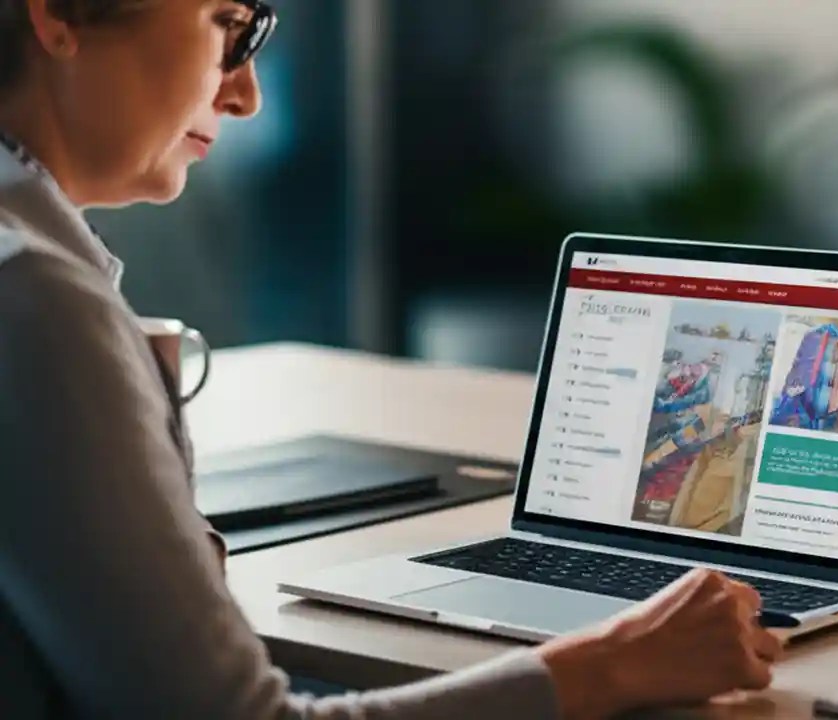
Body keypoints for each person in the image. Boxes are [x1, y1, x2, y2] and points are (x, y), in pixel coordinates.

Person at [0, 1, 783, 718]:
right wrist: (608, 665)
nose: (245, 96)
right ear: (59, 14)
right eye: (228, 24)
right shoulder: (36, 298)